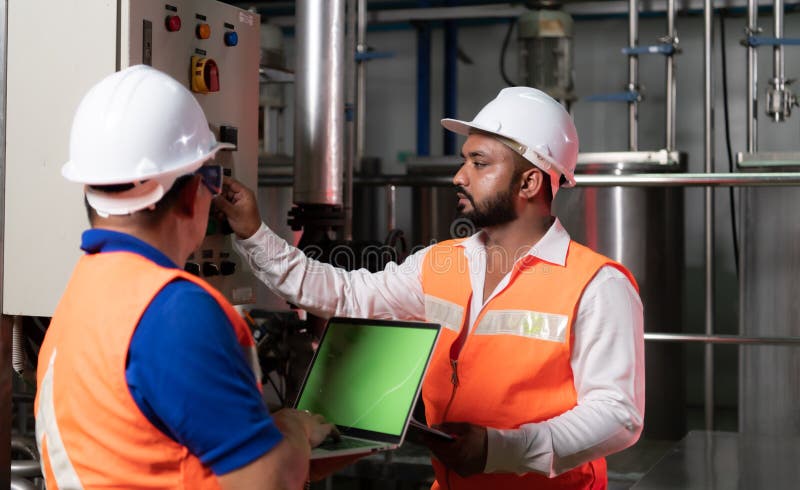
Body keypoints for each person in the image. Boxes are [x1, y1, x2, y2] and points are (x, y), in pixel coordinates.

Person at [216, 86, 645, 489]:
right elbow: (344, 293)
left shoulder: (596, 285)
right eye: (464, 161)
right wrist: (254, 233)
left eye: (479, 164)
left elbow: (617, 415)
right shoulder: (442, 262)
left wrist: (502, 449)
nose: (459, 176)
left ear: (529, 183)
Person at [34, 65, 338, 490]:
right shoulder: (176, 309)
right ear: (196, 191)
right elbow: (265, 482)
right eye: (212, 177)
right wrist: (294, 431)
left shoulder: (82, 291)